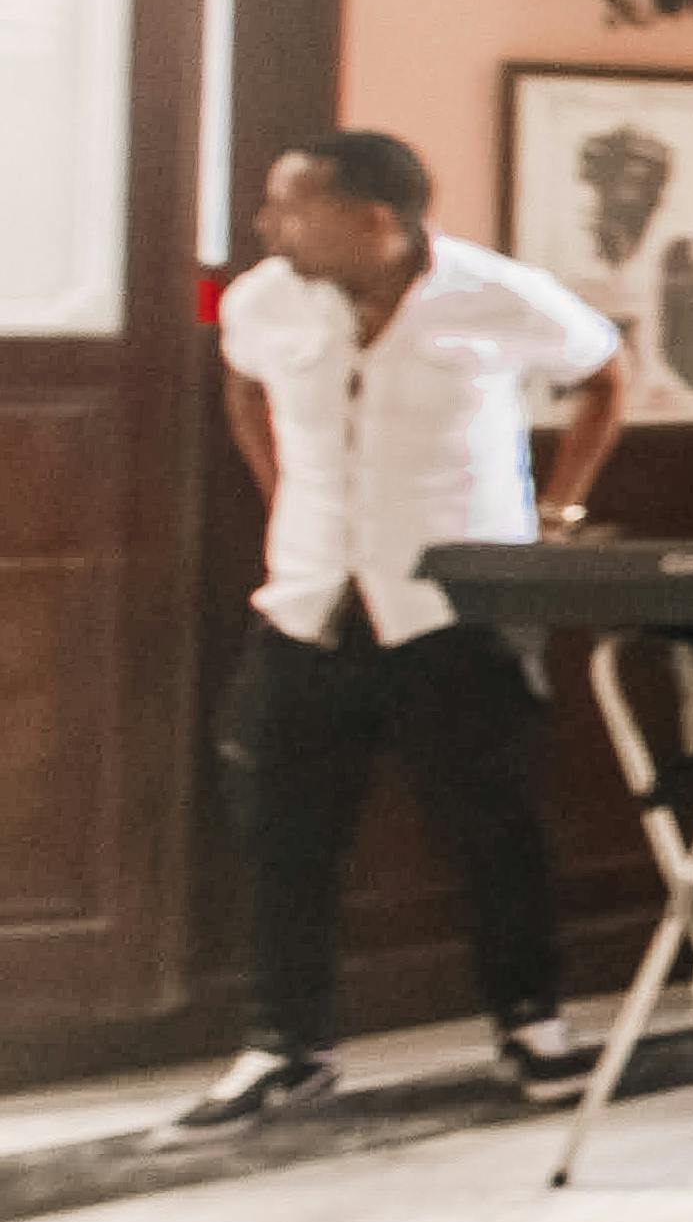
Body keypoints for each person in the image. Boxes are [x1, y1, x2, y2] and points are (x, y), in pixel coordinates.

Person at [193, 131, 630, 1128]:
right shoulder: (263, 300)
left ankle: (531, 1023)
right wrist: (282, 493)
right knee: (284, 830)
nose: (267, 225)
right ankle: (286, 1044)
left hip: (454, 607)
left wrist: (558, 511)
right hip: (310, 600)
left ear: (372, 220)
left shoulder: (495, 294)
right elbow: (243, 386)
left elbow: (606, 374)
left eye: (290, 206)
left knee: (495, 828)